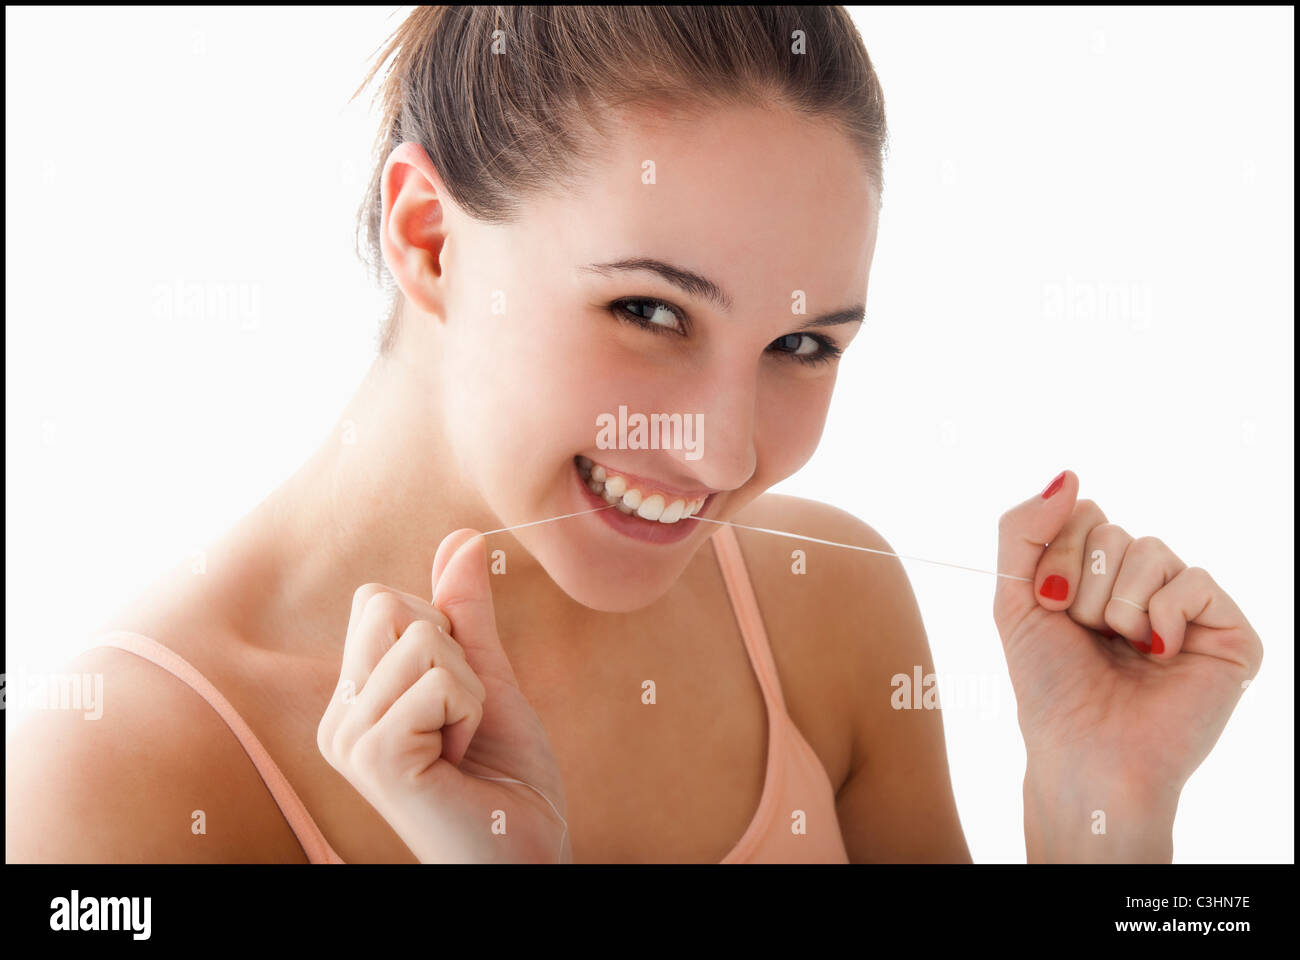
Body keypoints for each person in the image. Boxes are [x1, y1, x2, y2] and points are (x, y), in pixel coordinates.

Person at [5, 6, 1261, 864]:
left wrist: (1104, 817)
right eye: (649, 310)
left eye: (803, 344)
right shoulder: (117, 772)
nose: (724, 457)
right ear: (430, 240)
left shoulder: (829, 619)